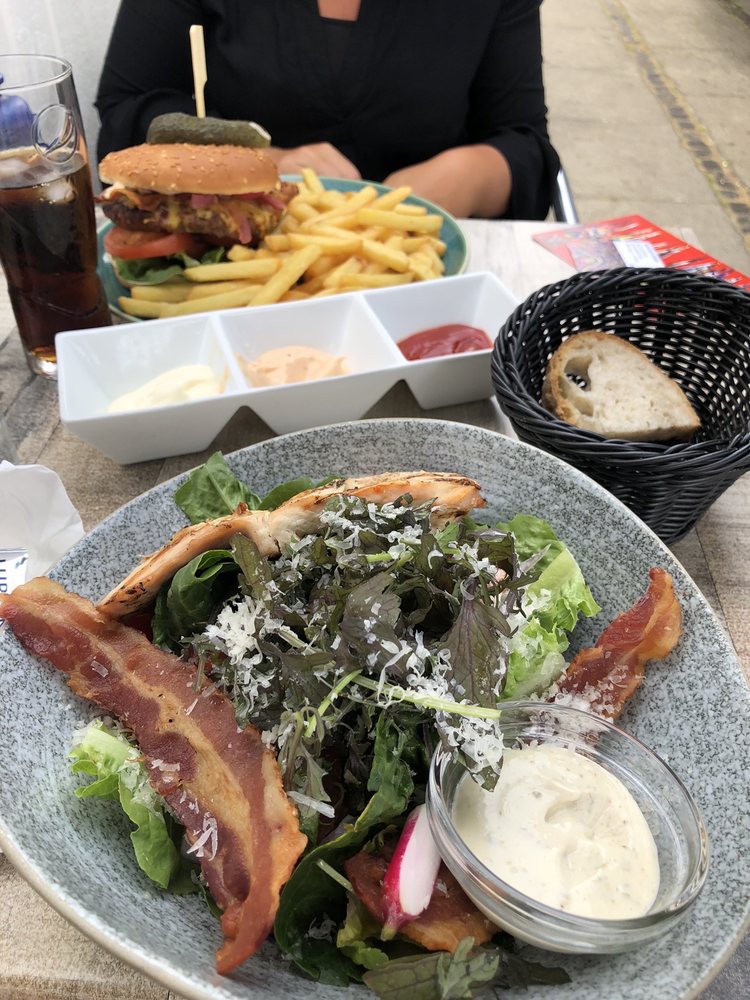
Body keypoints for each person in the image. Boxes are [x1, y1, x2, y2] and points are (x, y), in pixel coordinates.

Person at [95, 0, 560, 220]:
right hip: (227, 277)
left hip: (432, 275)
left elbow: (524, 144)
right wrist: (259, 165)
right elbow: (126, 112)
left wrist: (468, 174)